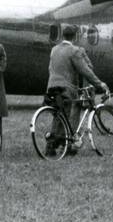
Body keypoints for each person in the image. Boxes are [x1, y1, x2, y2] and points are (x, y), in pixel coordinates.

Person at [45, 24, 106, 155]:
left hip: (52, 86)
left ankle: (51, 146)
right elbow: (86, 70)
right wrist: (99, 84)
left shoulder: (54, 49)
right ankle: (64, 145)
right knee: (67, 116)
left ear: (63, 36)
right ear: (76, 36)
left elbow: (51, 68)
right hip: (66, 87)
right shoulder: (75, 51)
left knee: (58, 116)